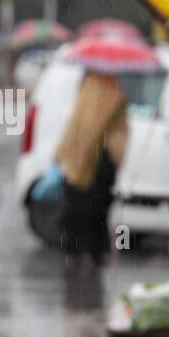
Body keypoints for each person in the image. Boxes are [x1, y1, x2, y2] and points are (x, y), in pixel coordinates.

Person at [54, 70, 129, 260]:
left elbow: (86, 128)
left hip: (93, 161)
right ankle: (89, 256)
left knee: (84, 212)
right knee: (93, 212)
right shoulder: (109, 89)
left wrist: (71, 158)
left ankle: (84, 258)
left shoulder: (98, 89)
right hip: (99, 161)